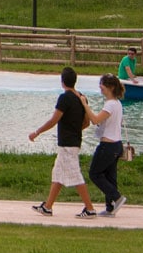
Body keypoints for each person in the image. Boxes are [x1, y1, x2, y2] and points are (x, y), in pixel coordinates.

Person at [29, 66, 98, 219]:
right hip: (74, 141)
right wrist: (75, 129)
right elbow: (86, 122)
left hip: (67, 143)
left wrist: (37, 132)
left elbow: (54, 120)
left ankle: (90, 209)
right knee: (58, 174)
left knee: (75, 175)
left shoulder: (65, 98)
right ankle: (47, 207)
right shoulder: (82, 97)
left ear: (62, 82)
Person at [84, 74, 127, 217]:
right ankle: (110, 208)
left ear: (111, 87)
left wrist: (85, 105)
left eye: (102, 84)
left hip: (107, 145)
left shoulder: (110, 105)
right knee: (110, 177)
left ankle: (116, 197)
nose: (100, 87)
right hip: (117, 145)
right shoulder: (118, 104)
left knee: (94, 173)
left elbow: (95, 120)